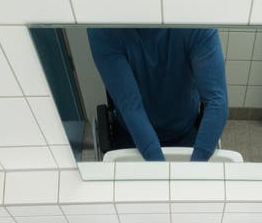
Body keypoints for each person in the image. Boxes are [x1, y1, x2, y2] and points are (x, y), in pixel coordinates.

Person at [87, 27, 228, 162]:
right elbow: (130, 106)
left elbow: (216, 101)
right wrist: (161, 170)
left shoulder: (195, 21)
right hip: (132, 135)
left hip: (185, 131)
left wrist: (195, 167)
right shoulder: (103, 27)